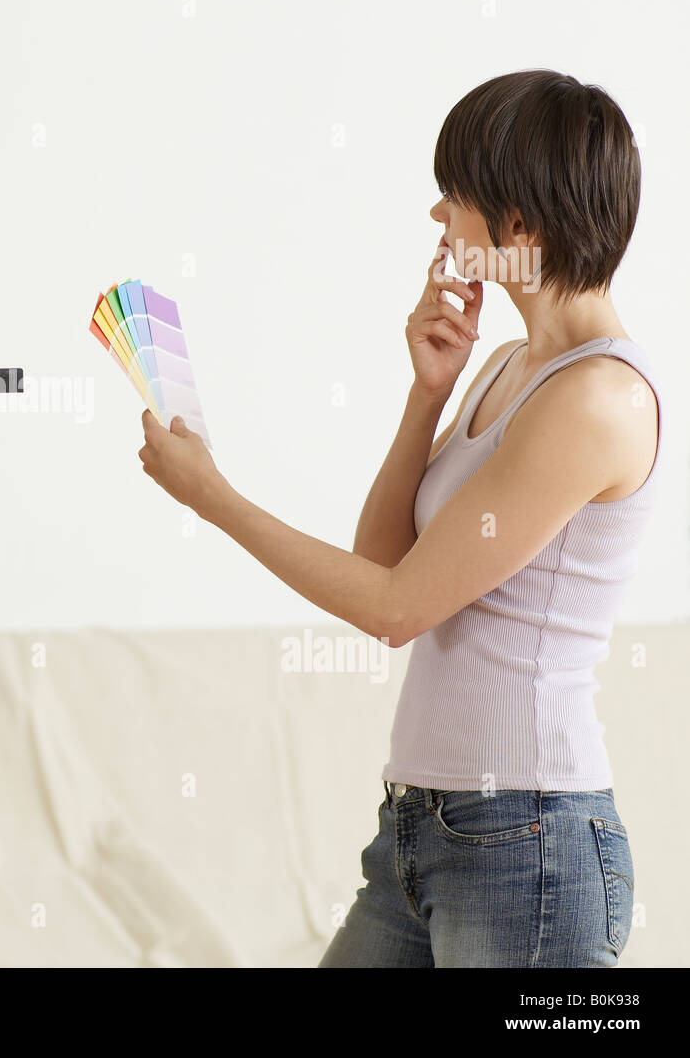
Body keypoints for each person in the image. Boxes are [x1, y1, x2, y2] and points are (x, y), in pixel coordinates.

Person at [138, 70, 659, 967]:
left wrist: (213, 498)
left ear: (522, 226)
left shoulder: (598, 399)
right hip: (424, 825)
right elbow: (382, 560)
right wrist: (429, 394)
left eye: (457, 194)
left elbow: (392, 608)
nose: (437, 216)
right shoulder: (506, 365)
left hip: (528, 840)